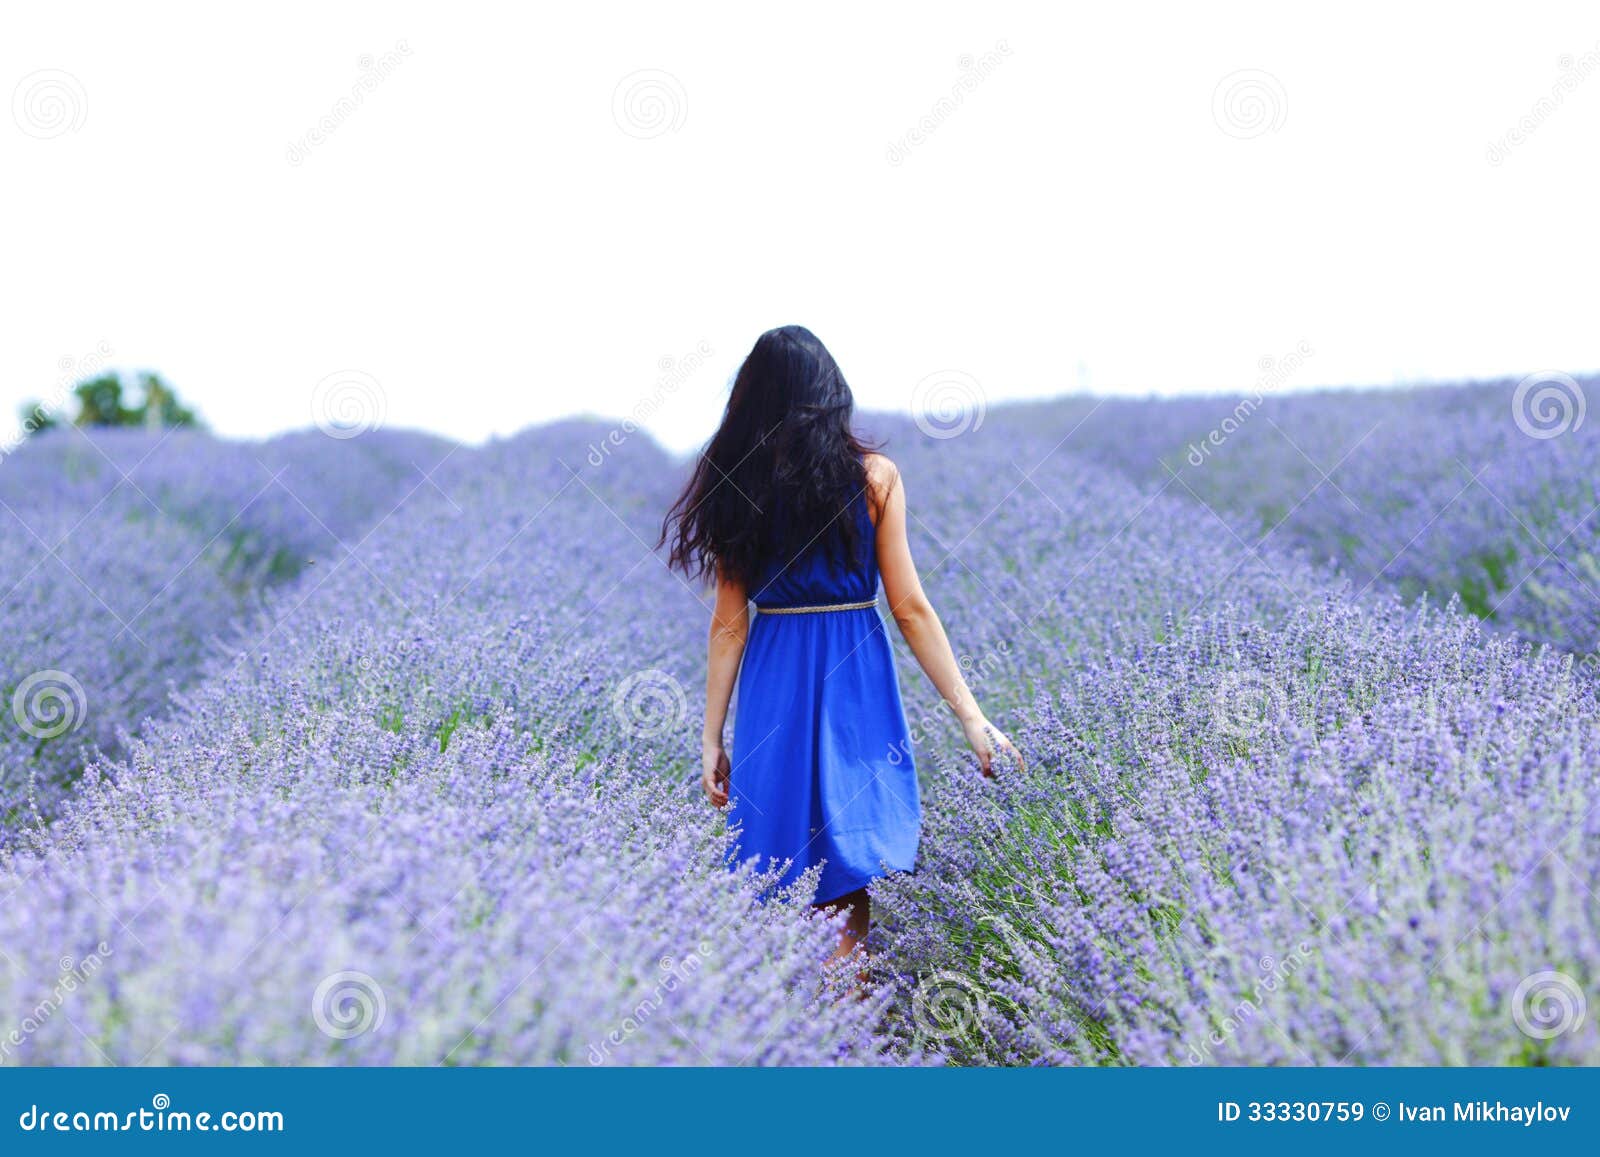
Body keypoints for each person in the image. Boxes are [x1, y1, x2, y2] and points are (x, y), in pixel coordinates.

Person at [660, 325, 1022, 967]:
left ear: (750, 401)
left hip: (775, 682)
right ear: (831, 395)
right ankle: (845, 1034)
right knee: (849, 872)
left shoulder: (737, 485)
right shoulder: (873, 479)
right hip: (854, 678)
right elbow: (910, 608)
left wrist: (712, 737)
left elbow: (728, 623)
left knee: (780, 876)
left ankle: (798, 1034)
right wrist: (973, 716)